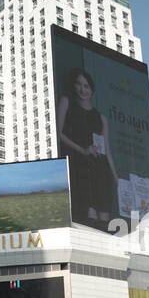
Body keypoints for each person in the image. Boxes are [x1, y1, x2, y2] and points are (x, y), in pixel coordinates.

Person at [56, 68, 117, 230]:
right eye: (79, 84)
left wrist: (114, 176)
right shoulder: (67, 102)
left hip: (101, 170)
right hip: (79, 167)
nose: (83, 89)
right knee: (87, 220)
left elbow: (107, 149)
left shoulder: (101, 118)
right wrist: (83, 150)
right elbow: (58, 134)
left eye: (86, 86)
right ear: (74, 86)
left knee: (104, 221)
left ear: (92, 89)